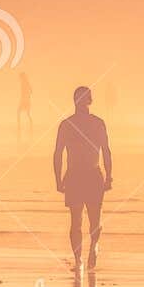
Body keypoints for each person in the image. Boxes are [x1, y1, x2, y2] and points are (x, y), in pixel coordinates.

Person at [53, 86, 113, 273]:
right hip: (85, 176)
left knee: (80, 221)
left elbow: (58, 154)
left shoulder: (68, 125)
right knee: (87, 221)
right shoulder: (94, 123)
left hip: (81, 176)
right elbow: (106, 151)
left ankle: (84, 254)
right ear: (90, 101)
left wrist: (58, 179)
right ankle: (84, 254)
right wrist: (108, 176)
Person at [16, 72, 33, 139]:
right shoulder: (26, 82)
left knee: (19, 112)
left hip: (24, 100)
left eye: (20, 77)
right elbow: (31, 90)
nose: (20, 79)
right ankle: (30, 126)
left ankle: (19, 127)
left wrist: (26, 97)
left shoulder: (24, 83)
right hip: (25, 100)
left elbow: (29, 91)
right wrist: (28, 96)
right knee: (27, 114)